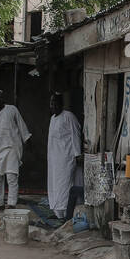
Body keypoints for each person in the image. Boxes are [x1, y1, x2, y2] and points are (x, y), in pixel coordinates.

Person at [47, 91, 84, 220]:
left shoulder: (69, 116)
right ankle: (57, 212)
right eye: (51, 102)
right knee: (55, 185)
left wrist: (77, 154)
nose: (53, 105)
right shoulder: (52, 119)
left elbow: (75, 135)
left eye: (55, 102)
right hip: (54, 160)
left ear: (61, 104)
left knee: (64, 185)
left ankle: (65, 213)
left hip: (66, 159)